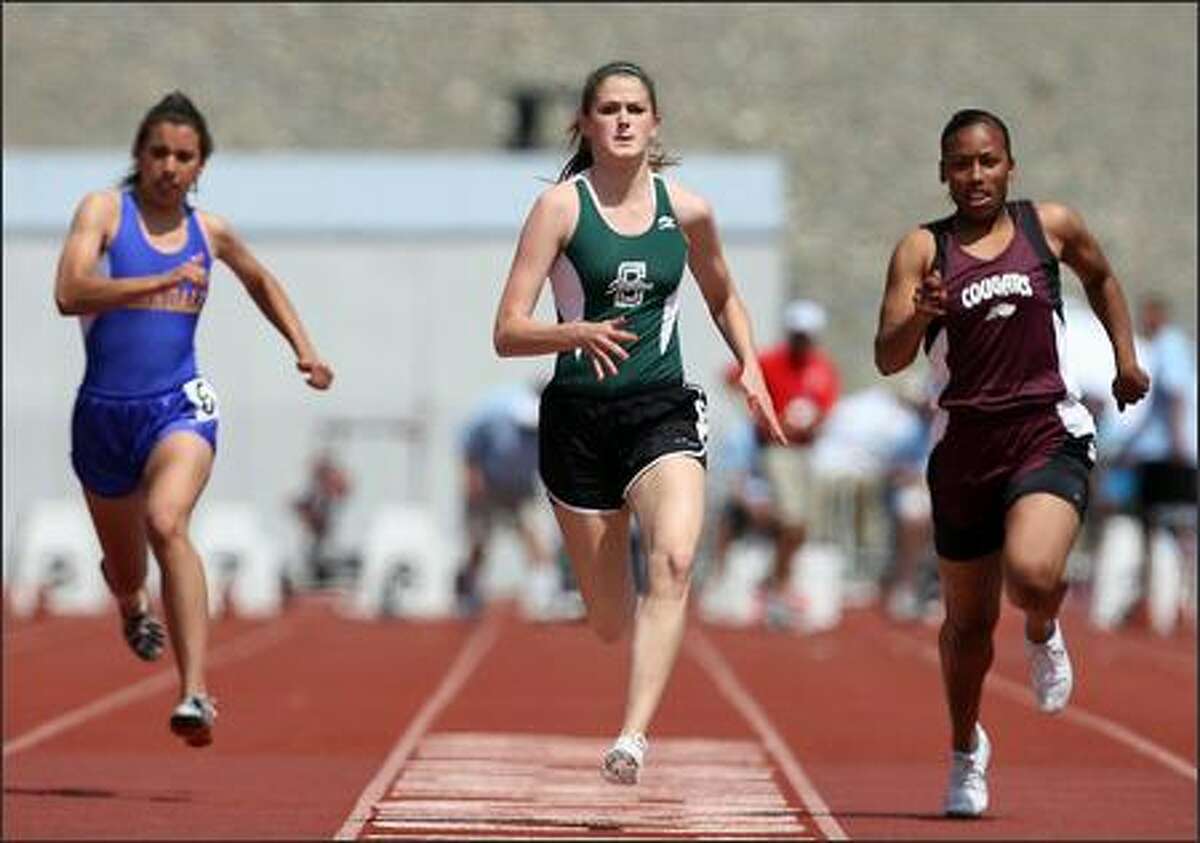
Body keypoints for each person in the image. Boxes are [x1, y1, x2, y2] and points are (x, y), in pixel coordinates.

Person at [492, 60, 786, 785]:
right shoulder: (562, 208)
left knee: (677, 558)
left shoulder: (687, 211)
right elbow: (507, 328)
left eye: (635, 109)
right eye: (609, 110)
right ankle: (608, 587)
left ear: (655, 124)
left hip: (662, 407)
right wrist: (575, 333)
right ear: (585, 125)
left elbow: (724, 296)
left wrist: (749, 360)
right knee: (607, 619)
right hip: (577, 420)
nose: (623, 121)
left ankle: (632, 735)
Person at [873, 108, 1149, 817]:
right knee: (966, 625)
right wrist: (919, 311)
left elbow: (1103, 277)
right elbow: (887, 356)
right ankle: (967, 750)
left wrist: (1125, 360)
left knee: (1032, 573)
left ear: (1010, 166)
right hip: (962, 446)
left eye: (988, 161)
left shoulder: (1048, 226)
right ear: (943, 172)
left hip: (1044, 430)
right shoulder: (921, 249)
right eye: (961, 164)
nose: (975, 176)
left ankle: (1042, 626)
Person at [53, 91, 334, 748]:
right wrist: (149, 284)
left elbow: (260, 280)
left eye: (184, 156)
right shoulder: (103, 211)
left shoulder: (210, 233)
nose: (170, 167)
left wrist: (304, 348)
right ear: (139, 157)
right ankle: (130, 602)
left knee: (166, 521)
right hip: (102, 414)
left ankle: (194, 692)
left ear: (201, 165)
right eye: (159, 153)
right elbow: (68, 292)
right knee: (125, 568)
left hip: (179, 405)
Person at [726, 299, 840, 629]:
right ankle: (778, 583)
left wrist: (811, 424)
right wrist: (763, 416)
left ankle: (776, 580)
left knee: (803, 524)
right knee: (791, 517)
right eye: (797, 335)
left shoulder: (822, 367)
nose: (801, 341)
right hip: (777, 449)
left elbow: (827, 408)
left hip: (807, 451)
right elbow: (733, 378)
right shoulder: (772, 361)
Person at [455, 380, 574, 621]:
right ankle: (468, 593)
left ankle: (542, 597)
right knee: (478, 543)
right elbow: (467, 445)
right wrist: (471, 478)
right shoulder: (493, 413)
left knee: (536, 540)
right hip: (487, 486)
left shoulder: (557, 422)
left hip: (521, 488)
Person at [1117, 294, 1197, 632]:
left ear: (1155, 314)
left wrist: (1178, 440)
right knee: (1166, 528)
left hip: (1168, 455)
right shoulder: (1171, 346)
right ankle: (1166, 606)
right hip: (1164, 452)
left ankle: (1169, 610)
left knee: (1167, 527)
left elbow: (1176, 393)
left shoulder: (1169, 346)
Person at [292, 449, 352, 588]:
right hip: (317, 543)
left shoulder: (327, 494)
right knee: (315, 550)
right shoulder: (317, 494)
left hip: (322, 542)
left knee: (319, 549)